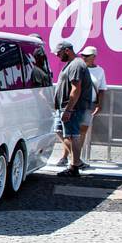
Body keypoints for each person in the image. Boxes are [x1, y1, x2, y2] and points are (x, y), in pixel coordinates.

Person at [52, 42, 94, 177]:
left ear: (67, 50)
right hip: (67, 107)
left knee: (72, 135)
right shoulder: (73, 64)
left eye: (59, 53)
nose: (58, 56)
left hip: (72, 107)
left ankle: (74, 166)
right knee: (61, 131)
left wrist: (69, 109)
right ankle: (76, 162)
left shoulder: (76, 65)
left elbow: (76, 89)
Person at [79, 46, 108, 164]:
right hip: (75, 102)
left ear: (94, 57)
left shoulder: (100, 71)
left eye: (87, 56)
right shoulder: (79, 67)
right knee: (71, 131)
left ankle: (75, 157)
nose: (84, 57)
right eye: (83, 55)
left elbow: (101, 89)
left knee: (82, 131)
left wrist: (99, 105)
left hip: (89, 103)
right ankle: (70, 156)